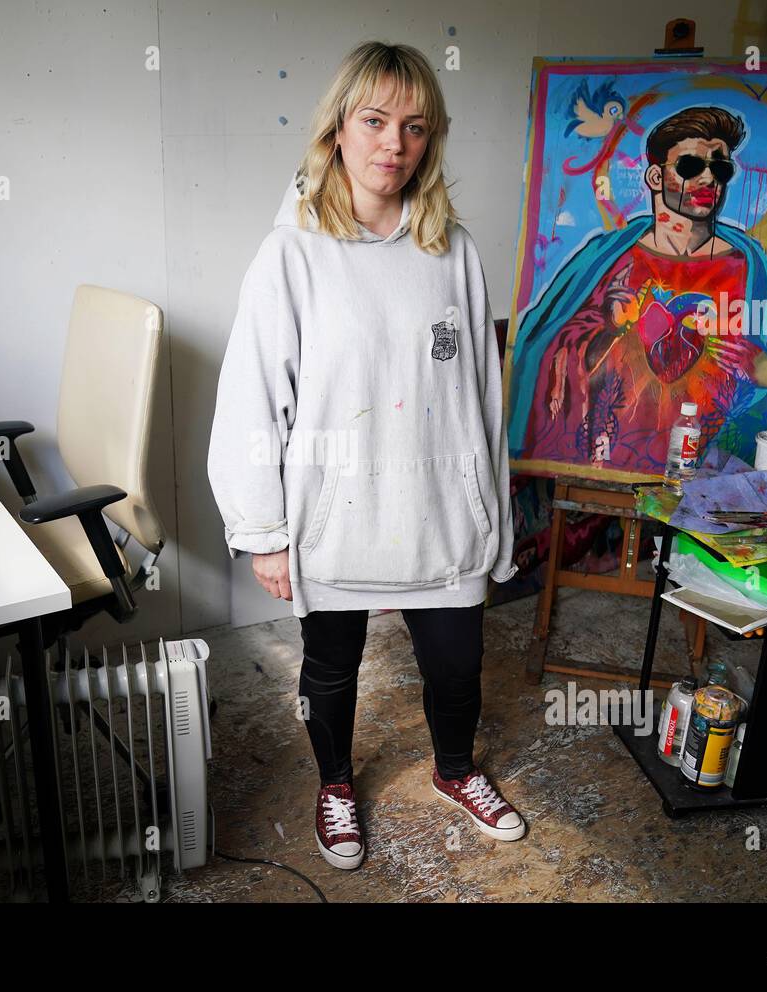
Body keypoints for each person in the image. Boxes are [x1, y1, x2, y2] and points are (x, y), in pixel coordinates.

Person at [207, 42, 523, 871]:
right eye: (375, 121)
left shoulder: (451, 248)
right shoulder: (292, 253)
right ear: (338, 129)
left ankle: (456, 771)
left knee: (458, 666)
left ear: (431, 141)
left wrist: (497, 517)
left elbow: (484, 399)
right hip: (336, 512)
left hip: (440, 510)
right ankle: (337, 783)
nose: (394, 144)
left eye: (415, 128)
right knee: (331, 667)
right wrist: (263, 530)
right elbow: (249, 400)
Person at [509, 105, 767, 474]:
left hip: (715, 488)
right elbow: (542, 349)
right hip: (609, 478)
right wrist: (604, 333)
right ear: (654, 176)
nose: (709, 179)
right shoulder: (609, 262)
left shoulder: (766, 273)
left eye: (720, 169)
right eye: (691, 167)